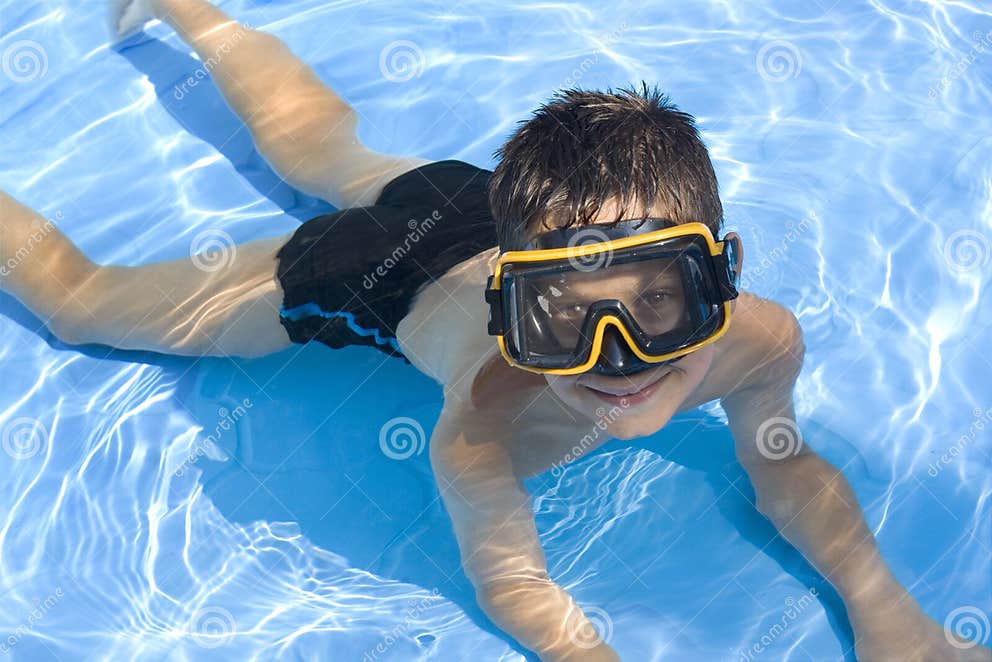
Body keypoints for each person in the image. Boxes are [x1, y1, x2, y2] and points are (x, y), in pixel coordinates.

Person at [0, 1, 987, 660]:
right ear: (513, 316)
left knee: (326, 149)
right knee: (80, 303)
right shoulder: (483, 426)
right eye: (563, 319)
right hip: (374, 276)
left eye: (656, 304)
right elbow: (513, 583)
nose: (616, 360)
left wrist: (885, 611)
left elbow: (783, 464)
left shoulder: (761, 341)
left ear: (719, 278)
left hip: (488, 212)